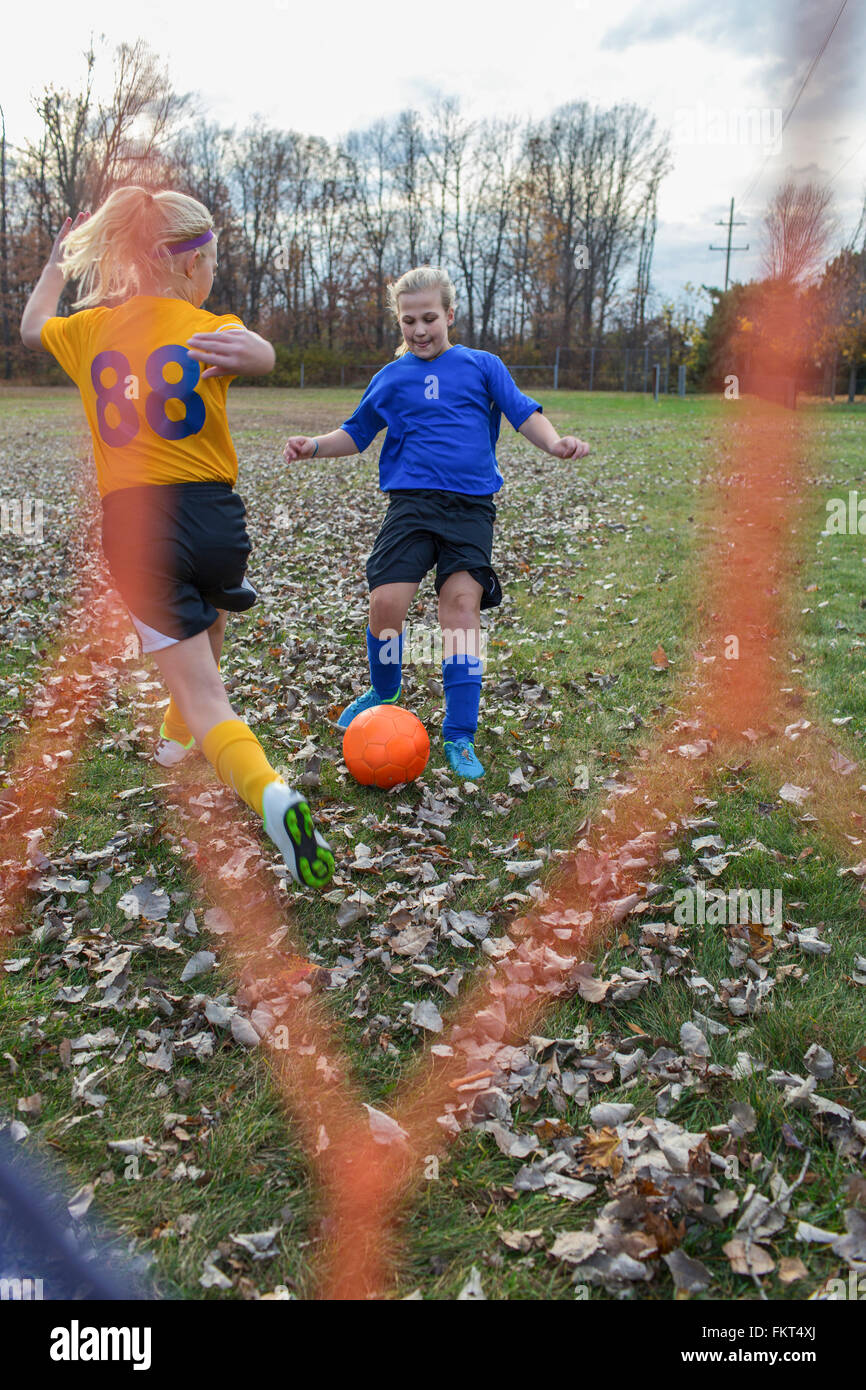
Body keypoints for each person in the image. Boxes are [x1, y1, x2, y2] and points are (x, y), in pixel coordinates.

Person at [21, 186, 335, 889]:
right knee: (205, 621)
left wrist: (55, 266)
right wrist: (264, 352)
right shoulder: (208, 327)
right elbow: (258, 355)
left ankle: (269, 795)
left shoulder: (91, 331)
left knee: (204, 692)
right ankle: (173, 746)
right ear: (193, 264)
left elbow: (32, 327)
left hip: (139, 529)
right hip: (217, 520)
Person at [283, 265, 590, 779]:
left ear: (449, 315)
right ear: (398, 323)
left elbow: (523, 414)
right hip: (410, 507)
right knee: (386, 602)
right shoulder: (391, 377)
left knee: (461, 611)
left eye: (429, 318)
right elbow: (357, 433)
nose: (420, 330)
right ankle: (384, 690)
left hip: (470, 509)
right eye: (409, 321)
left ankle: (460, 735)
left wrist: (554, 441)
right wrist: (313, 446)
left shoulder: (482, 366)